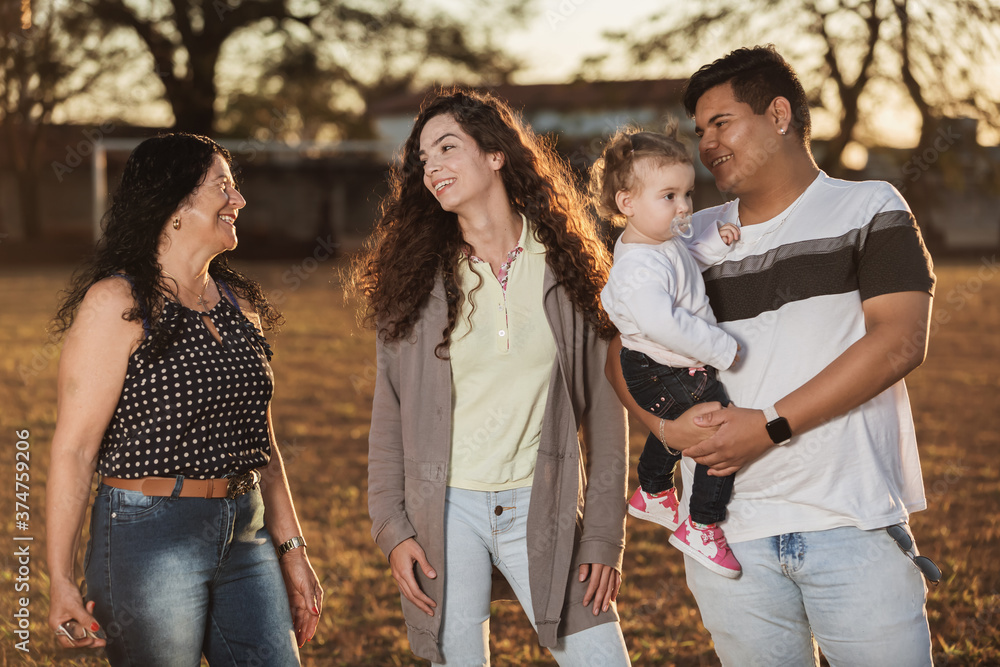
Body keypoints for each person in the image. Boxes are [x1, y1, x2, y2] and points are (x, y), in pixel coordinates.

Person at [606, 45, 938, 665]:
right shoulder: (684, 232)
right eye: (700, 130)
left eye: (721, 123)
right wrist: (666, 428)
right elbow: (622, 349)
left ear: (779, 113)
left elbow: (898, 341)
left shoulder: (869, 207)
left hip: (850, 520)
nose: (706, 144)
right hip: (728, 539)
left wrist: (770, 427)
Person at [351, 89, 632, 666]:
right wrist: (392, 527)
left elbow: (608, 416)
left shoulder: (569, 269)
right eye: (423, 159)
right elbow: (389, 419)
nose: (432, 167)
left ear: (497, 155)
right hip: (445, 511)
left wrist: (603, 534)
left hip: (545, 502)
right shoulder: (415, 284)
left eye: (447, 147)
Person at [46, 133, 323, 666]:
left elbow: (261, 443)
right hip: (148, 537)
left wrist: (292, 550)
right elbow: (75, 450)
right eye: (224, 186)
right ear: (174, 205)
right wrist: (59, 578)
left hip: (247, 530)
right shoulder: (117, 303)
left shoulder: (239, 305)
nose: (238, 201)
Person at [592, 123, 743, 578]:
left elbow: (687, 262)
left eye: (687, 194)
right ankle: (701, 524)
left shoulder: (660, 242)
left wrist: (717, 240)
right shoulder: (637, 267)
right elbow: (665, 323)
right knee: (718, 430)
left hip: (666, 364)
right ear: (627, 203)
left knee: (683, 425)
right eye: (669, 196)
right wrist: (722, 349)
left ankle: (653, 489)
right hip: (659, 367)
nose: (683, 207)